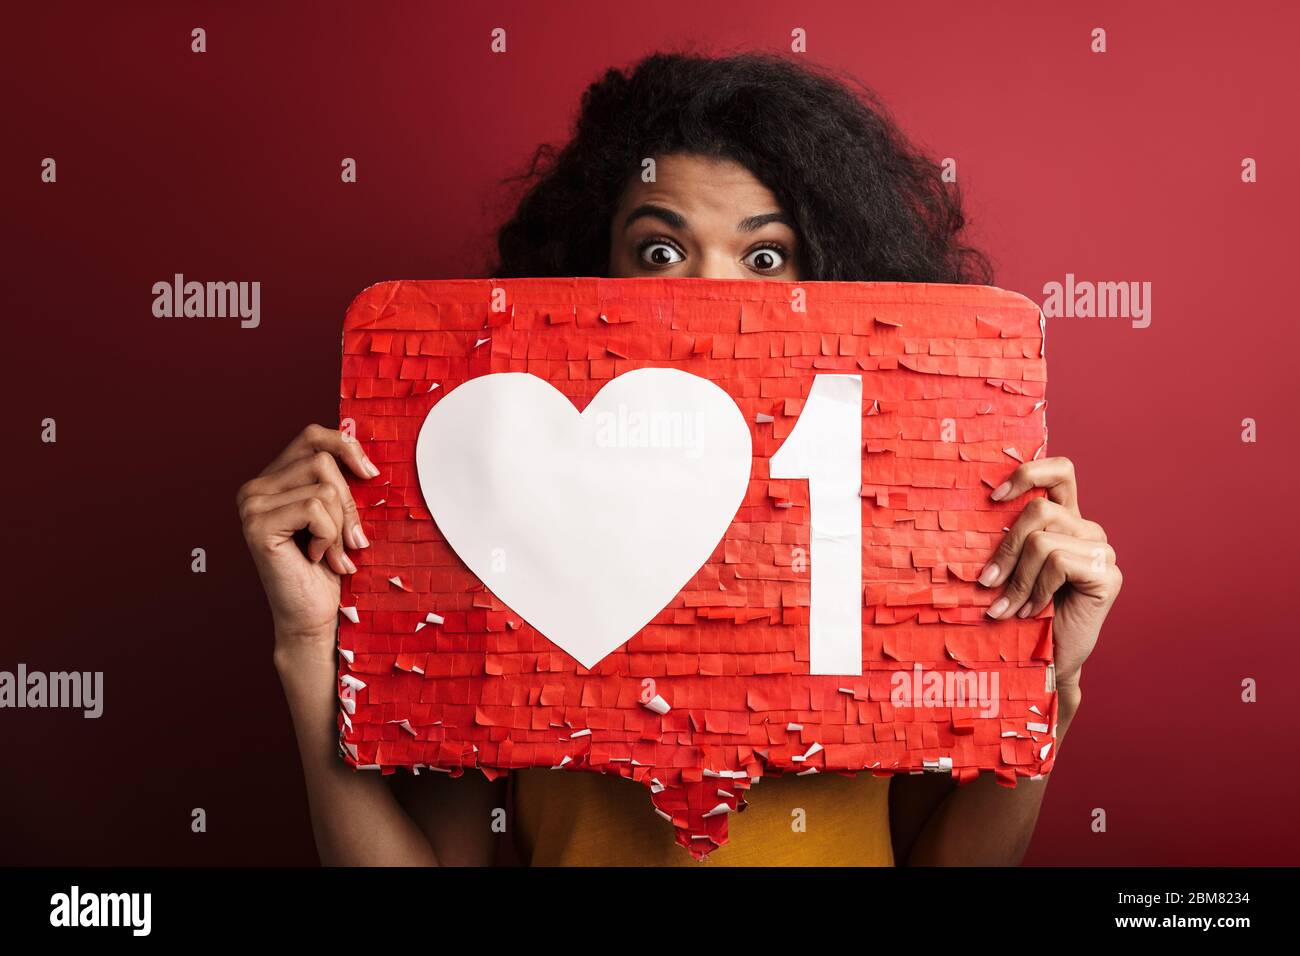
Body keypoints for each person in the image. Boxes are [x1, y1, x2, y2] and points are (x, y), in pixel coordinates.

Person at [237, 52, 1122, 866]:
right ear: (591, 270)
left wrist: (1045, 676)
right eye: (661, 250)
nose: (709, 294)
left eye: (766, 255)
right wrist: (310, 647)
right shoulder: (503, 529)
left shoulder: (889, 534)